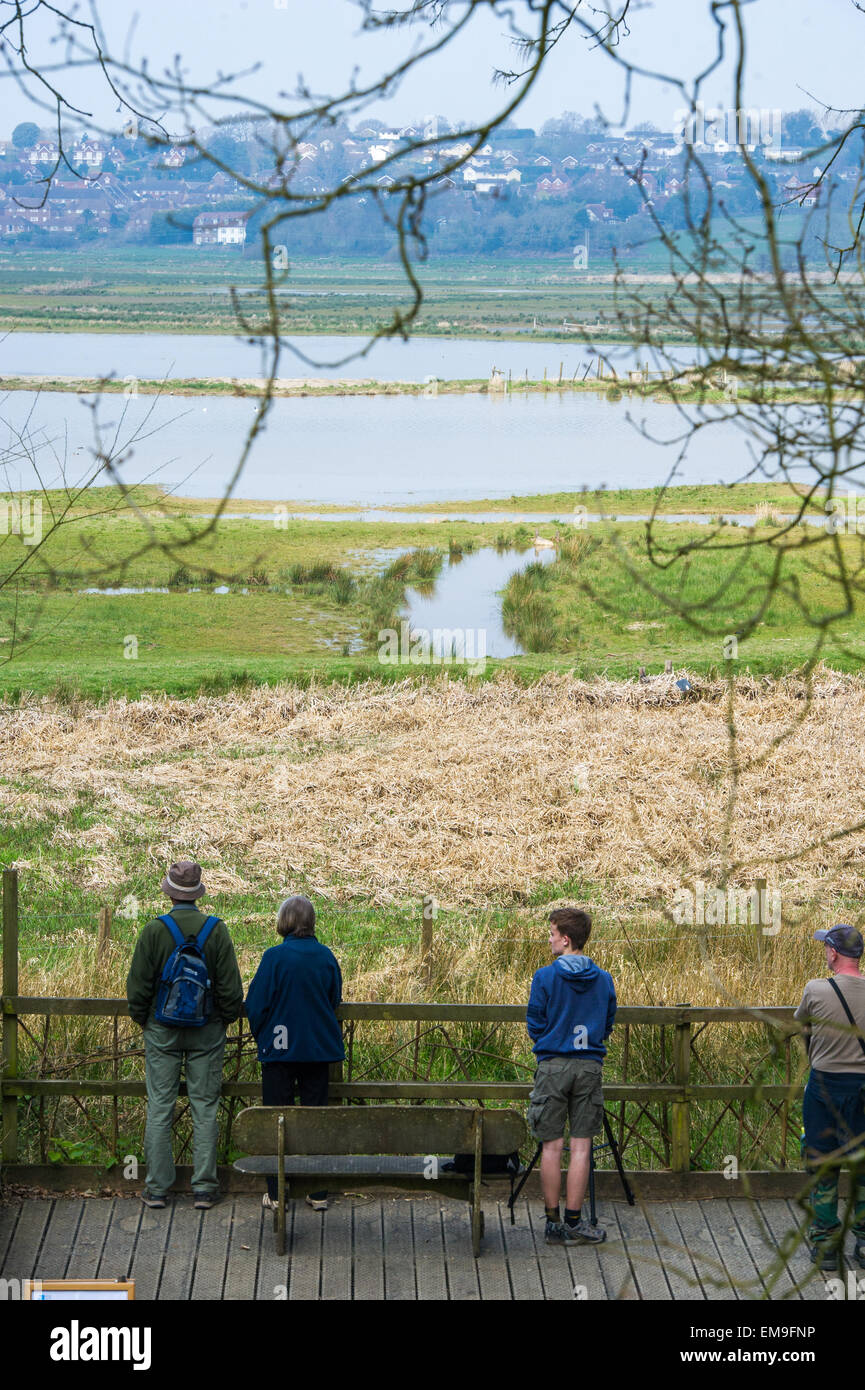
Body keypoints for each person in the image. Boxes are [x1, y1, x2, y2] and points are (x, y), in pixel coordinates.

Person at [126, 860, 244, 1211]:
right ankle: (205, 1188)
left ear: (169, 892)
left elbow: (138, 988)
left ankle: (157, 1188)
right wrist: (222, 1020)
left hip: (162, 1030)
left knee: (160, 1106)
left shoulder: (153, 931)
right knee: (205, 1106)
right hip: (206, 1031)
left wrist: (144, 1020)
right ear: (198, 892)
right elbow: (231, 990)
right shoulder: (216, 930)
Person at [244, 895, 345, 1214]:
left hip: (279, 1049)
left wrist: (264, 1037)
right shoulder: (326, 956)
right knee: (316, 1119)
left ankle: (277, 1193)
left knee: (277, 1119)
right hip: (317, 1049)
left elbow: (256, 1005)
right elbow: (334, 998)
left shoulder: (273, 957)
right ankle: (317, 1191)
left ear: (284, 922)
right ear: (311, 923)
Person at [526, 906, 617, 1246]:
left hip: (553, 1065)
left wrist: (551, 1042)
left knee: (552, 1146)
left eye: (551, 934)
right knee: (581, 1146)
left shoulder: (545, 977)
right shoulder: (604, 979)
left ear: (565, 939)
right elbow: (607, 1022)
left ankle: (552, 1223)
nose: (549, 940)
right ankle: (575, 1222)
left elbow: (535, 1023)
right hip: (589, 1066)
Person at [794, 924, 865, 1269]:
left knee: (823, 1165)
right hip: (863, 1090)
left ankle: (826, 1245)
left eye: (826, 947)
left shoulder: (815, 989)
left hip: (824, 1088)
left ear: (834, 953)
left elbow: (804, 1030)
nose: (824, 952)